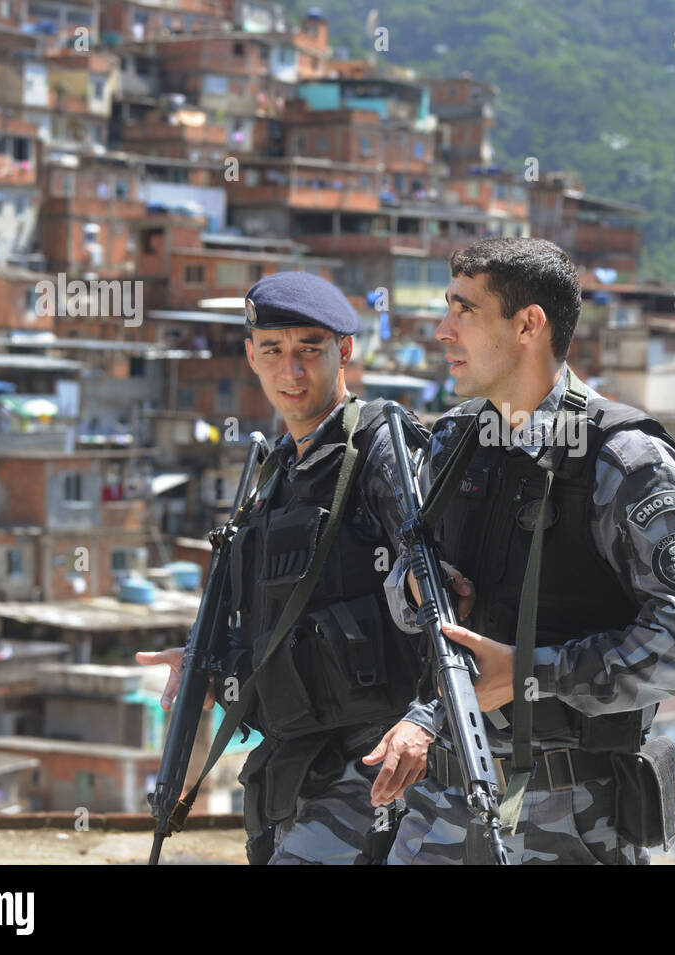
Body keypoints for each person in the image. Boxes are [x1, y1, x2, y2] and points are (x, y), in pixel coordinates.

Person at [375, 237, 675, 864]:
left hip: (570, 814)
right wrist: (415, 588)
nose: (441, 330)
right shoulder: (455, 440)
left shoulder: (620, 457)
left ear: (527, 325)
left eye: (464, 310)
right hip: (442, 804)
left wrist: (531, 673)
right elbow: (407, 582)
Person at [137, 272, 436, 864]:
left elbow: (443, 599)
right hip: (293, 764)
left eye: (310, 350)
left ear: (345, 351)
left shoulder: (380, 449)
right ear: (251, 356)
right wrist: (208, 660)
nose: (291, 371)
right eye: (273, 350)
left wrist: (426, 722)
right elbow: (284, 624)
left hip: (374, 763)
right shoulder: (275, 476)